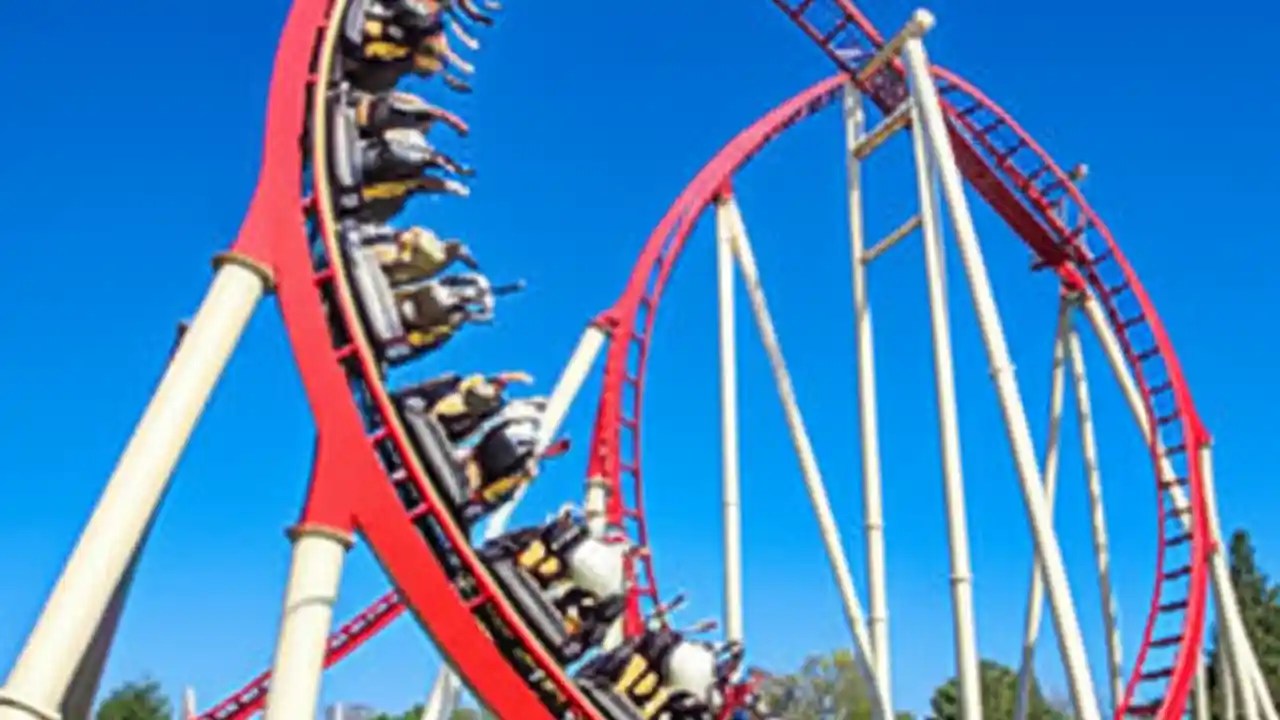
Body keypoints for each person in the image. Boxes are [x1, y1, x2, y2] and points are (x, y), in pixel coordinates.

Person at [394, 273, 521, 353]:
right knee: (448, 330)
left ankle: (396, 292)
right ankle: (409, 343)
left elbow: (451, 278)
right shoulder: (484, 293)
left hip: (430, 296)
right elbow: (482, 316)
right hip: (433, 302)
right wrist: (475, 315)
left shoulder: (480, 281)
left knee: (428, 285)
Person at [399, 370, 532, 442]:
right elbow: (412, 393)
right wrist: (514, 377)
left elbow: (455, 439)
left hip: (425, 437)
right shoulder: (451, 386)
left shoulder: (472, 420)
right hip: (410, 416)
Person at [348, 223, 477, 286]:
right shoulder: (432, 237)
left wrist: (407, 251)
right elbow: (414, 231)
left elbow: (415, 259)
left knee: (391, 257)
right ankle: (361, 235)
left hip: (397, 263)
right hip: (395, 246)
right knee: (388, 231)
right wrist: (408, 239)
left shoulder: (437, 259)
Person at [361, 127, 471, 183]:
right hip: (378, 148)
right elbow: (389, 135)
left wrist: (457, 169)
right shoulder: (416, 139)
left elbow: (441, 160)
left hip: (379, 156)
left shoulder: (418, 157)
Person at [355, 90, 470, 137]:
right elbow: (442, 114)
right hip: (368, 106)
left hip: (367, 124)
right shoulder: (417, 103)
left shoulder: (420, 129)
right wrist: (458, 125)